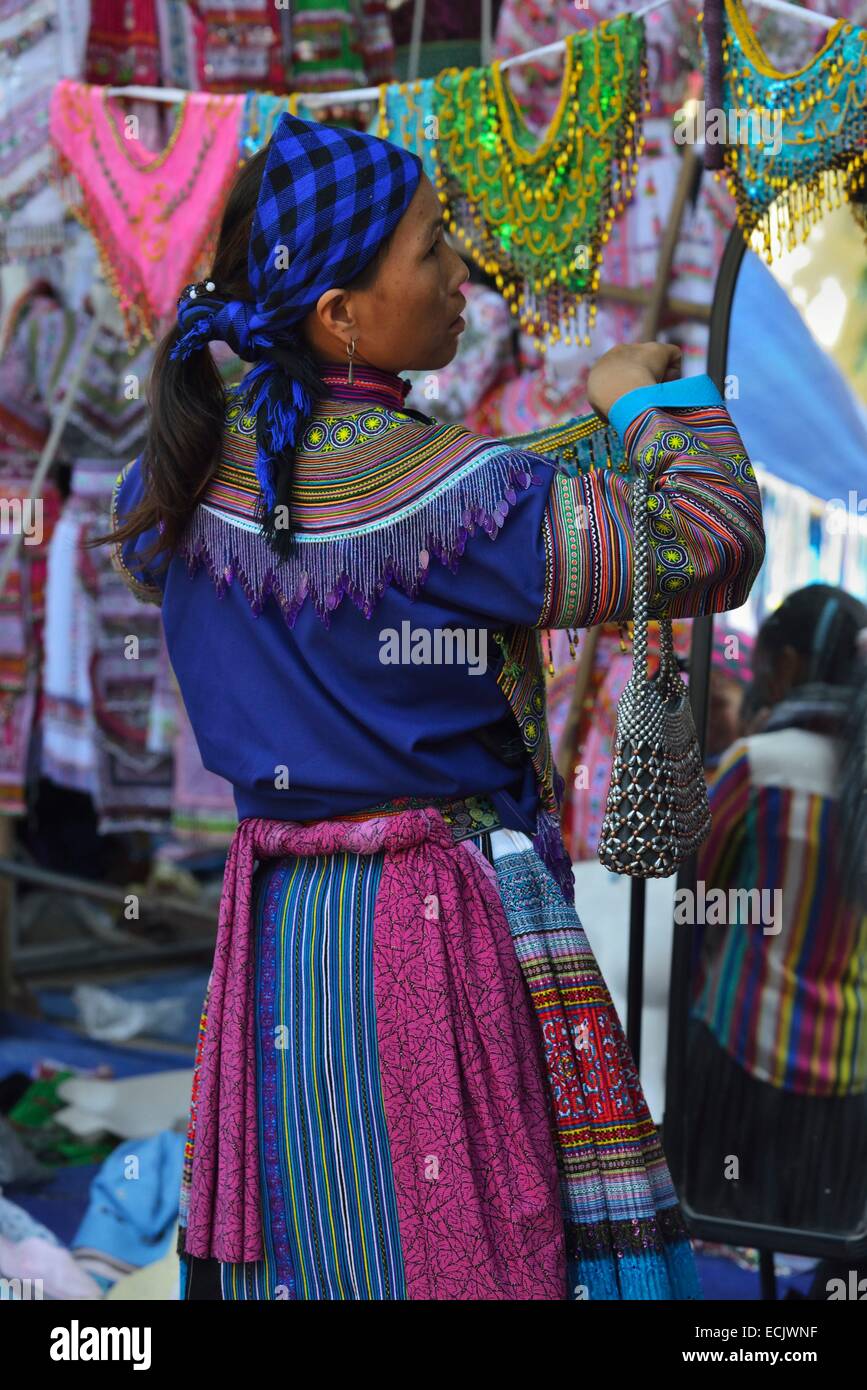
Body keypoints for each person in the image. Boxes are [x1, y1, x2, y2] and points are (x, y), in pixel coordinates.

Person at [97, 113, 764, 1301]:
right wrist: (645, 401)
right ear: (340, 313)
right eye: (431, 249)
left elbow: (318, 524)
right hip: (433, 927)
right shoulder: (452, 497)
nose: (463, 273)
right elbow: (708, 540)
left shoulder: (179, 479)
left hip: (282, 930)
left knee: (323, 1229)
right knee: (462, 1244)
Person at [686, 584, 867, 1243]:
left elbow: (697, 895)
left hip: (745, 1053)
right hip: (852, 1076)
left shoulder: (760, 766)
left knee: (728, 1233)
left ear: (786, 666)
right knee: (818, 1242)